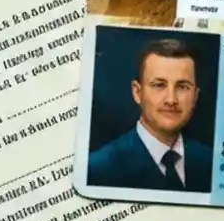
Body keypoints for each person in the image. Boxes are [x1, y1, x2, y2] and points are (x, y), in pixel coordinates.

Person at [86, 38, 212, 192]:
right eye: (159, 85)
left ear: (195, 96)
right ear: (137, 93)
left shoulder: (211, 162)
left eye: (182, 87)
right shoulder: (98, 169)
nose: (171, 99)